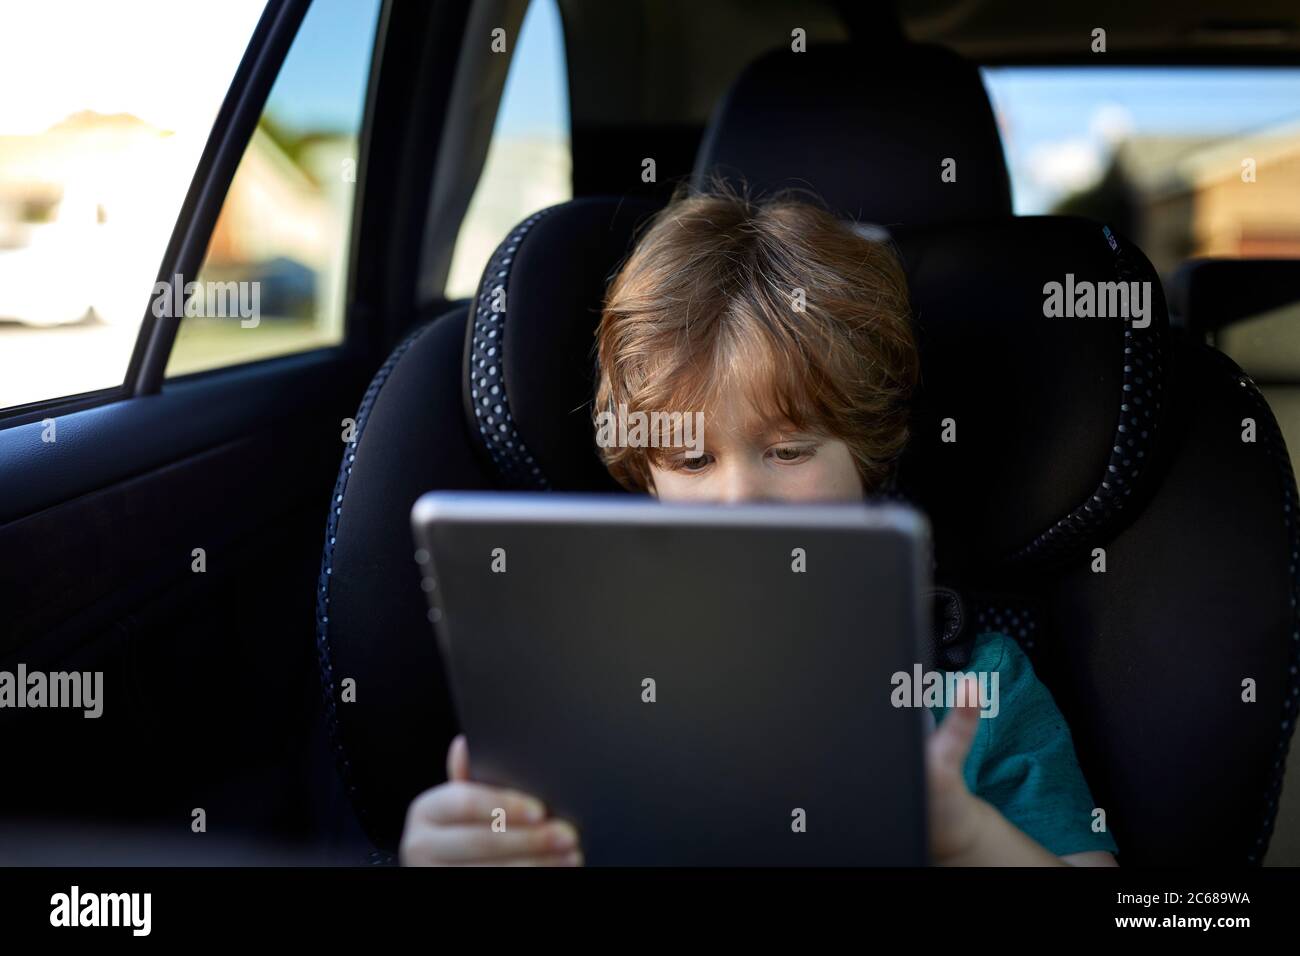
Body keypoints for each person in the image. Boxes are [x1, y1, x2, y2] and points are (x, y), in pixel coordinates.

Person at [398, 188, 1119, 866]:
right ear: (645, 473)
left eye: (788, 451)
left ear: (866, 457)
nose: (740, 498)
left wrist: (963, 838)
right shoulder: (570, 681)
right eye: (691, 456)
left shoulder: (970, 687)